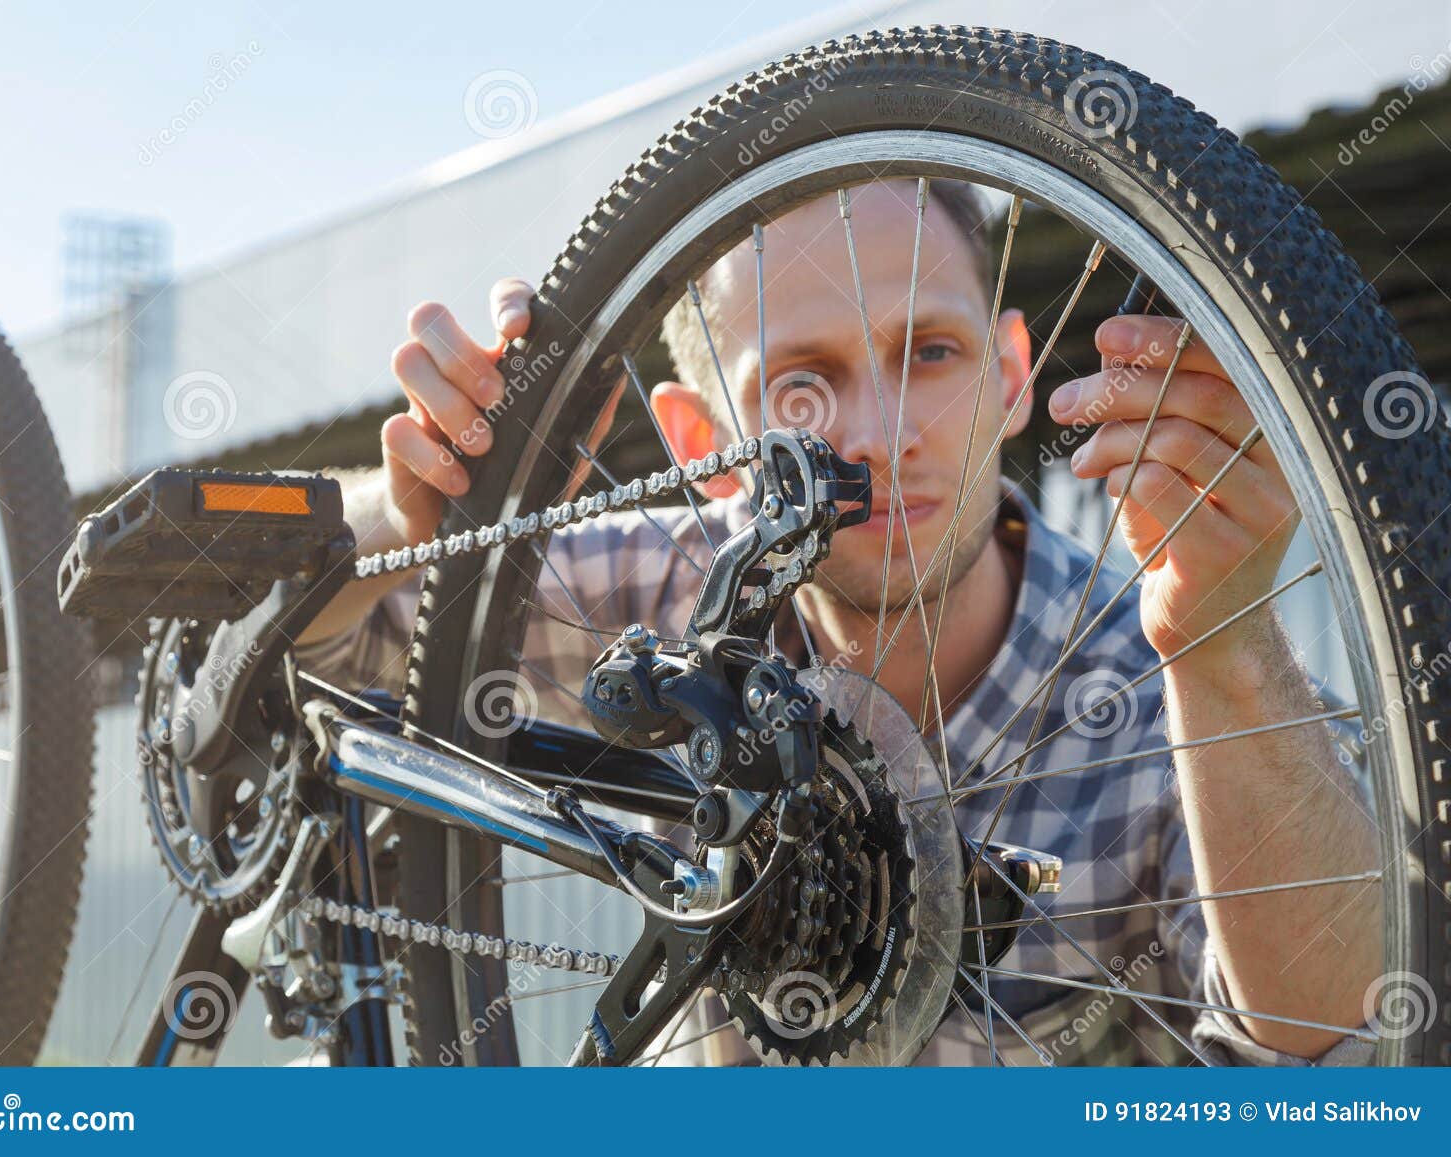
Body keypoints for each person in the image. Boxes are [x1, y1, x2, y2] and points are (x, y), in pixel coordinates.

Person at [297, 179, 1380, 1065]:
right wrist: (415, 510)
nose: (877, 431)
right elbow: (307, 647)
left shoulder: (1166, 683)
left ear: (1011, 373)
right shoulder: (664, 586)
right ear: (699, 438)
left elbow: (1344, 1070)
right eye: (803, 385)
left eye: (932, 353)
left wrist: (1225, 648)